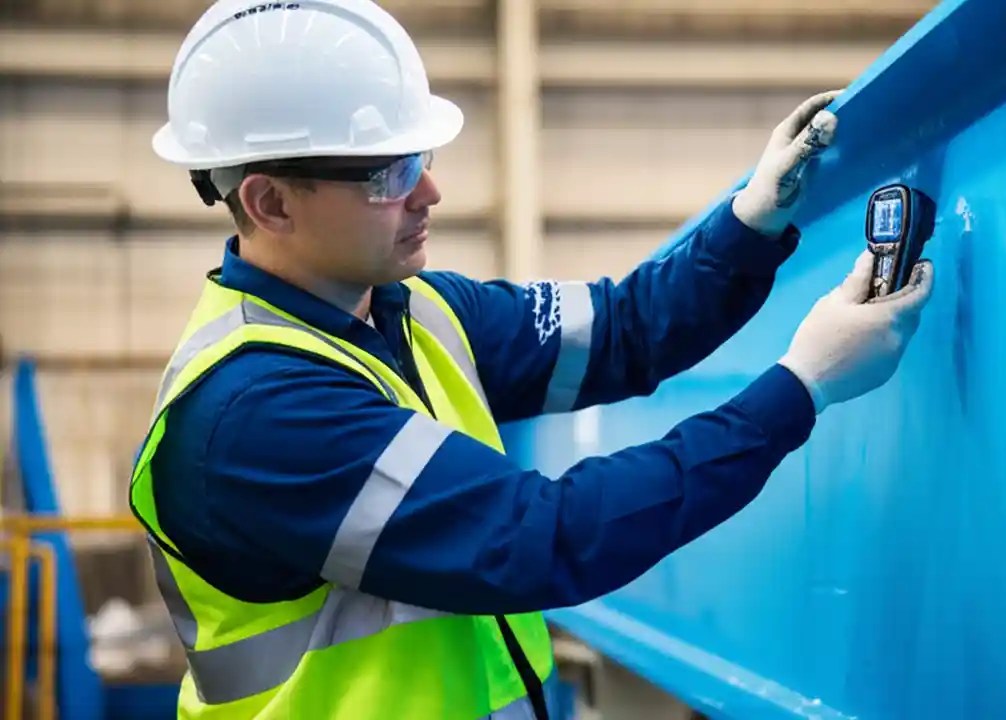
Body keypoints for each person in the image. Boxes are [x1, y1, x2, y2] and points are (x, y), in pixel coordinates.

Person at [128, 0, 935, 718]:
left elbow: (625, 328)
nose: (430, 195)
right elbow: (544, 538)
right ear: (269, 202)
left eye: (425, 160)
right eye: (390, 174)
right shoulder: (255, 412)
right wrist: (800, 389)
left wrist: (749, 222)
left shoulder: (418, 309)